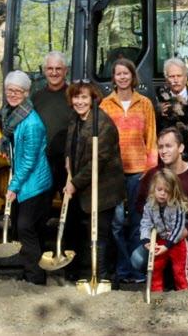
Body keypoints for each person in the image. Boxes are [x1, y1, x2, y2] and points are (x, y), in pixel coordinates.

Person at [132, 127, 188, 281]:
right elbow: (140, 205)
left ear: (181, 148)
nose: (163, 151)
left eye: (168, 146)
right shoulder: (153, 175)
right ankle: (168, 275)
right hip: (164, 235)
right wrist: (156, 224)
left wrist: (187, 231)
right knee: (137, 260)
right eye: (160, 147)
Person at [99, 58, 158, 284]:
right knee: (115, 224)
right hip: (113, 174)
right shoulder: (105, 105)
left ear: (133, 76)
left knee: (137, 222)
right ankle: (123, 269)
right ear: (113, 78)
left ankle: (135, 270)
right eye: (118, 74)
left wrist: (150, 168)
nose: (122, 77)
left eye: (126, 73)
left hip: (138, 172)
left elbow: (151, 138)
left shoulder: (144, 104)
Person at [64, 81, 126, 283]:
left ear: (92, 100)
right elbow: (71, 144)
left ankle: (103, 276)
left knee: (100, 234)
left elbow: (97, 162)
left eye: (84, 97)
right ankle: (82, 272)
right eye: (76, 97)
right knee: (78, 231)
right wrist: (68, 161)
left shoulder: (103, 125)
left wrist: (74, 183)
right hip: (83, 185)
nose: (79, 102)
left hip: (103, 188)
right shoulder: (75, 118)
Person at [0, 70, 53, 285]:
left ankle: (35, 278)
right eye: (9, 90)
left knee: (25, 227)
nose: (12, 94)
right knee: (31, 229)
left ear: (26, 93)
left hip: (36, 184)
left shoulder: (31, 123)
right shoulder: (13, 115)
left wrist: (13, 187)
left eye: (17, 91)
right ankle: (33, 273)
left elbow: (29, 161)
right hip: (27, 182)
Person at [138, 168, 188, 292]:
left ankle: (187, 292)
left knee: (180, 269)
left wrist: (169, 245)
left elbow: (178, 227)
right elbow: (145, 223)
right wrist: (146, 240)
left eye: (167, 191)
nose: (162, 194)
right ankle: (156, 293)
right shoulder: (149, 205)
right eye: (159, 190)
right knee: (155, 267)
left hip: (176, 241)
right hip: (160, 240)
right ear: (154, 189)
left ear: (174, 192)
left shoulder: (177, 206)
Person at [30, 51, 75, 206]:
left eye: (58, 69)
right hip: (43, 162)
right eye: (50, 69)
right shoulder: (36, 98)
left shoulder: (74, 96)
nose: (54, 73)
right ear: (44, 71)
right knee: (41, 208)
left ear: (65, 70)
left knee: (70, 211)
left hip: (68, 163)